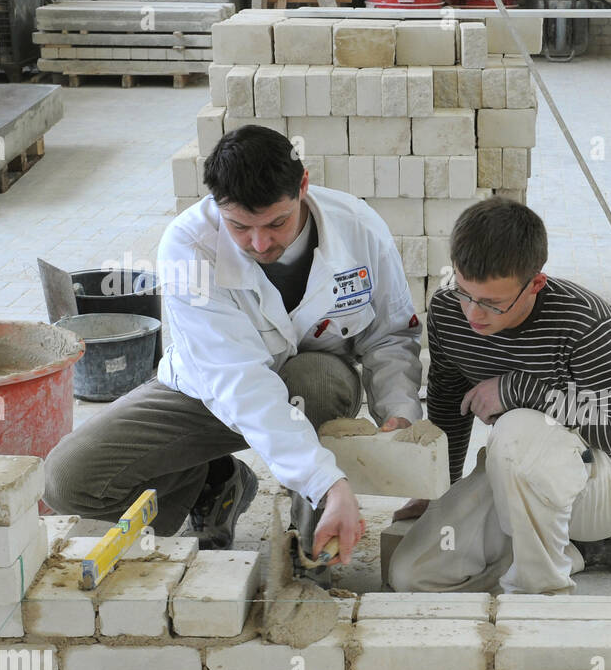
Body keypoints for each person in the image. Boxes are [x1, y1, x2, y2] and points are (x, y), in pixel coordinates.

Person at [44, 125, 422, 561]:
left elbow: (391, 334)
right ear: (214, 204)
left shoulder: (357, 228)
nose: (260, 243)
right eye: (240, 227)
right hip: (209, 390)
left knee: (314, 382)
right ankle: (212, 481)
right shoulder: (188, 246)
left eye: (277, 223)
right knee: (68, 481)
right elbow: (239, 383)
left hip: (312, 388)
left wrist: (399, 415)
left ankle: (309, 549)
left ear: (303, 185)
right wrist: (329, 481)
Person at [387, 197, 611, 595]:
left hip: (608, 482)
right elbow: (449, 404)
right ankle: (577, 552)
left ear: (535, 283)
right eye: (466, 293)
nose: (473, 315)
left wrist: (515, 390)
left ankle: (542, 595)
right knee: (412, 575)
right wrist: (437, 492)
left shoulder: (590, 325)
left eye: (492, 303)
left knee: (517, 428)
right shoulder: (449, 311)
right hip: (517, 472)